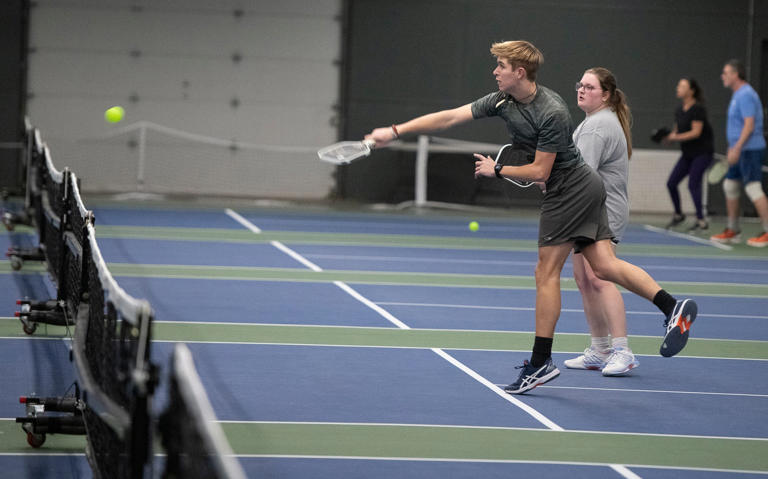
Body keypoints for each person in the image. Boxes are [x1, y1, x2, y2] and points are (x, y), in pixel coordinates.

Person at [365, 40, 698, 394]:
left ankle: (540, 363)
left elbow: (541, 171)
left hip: (570, 190)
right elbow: (449, 117)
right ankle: (671, 307)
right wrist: (395, 131)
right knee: (603, 265)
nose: (495, 71)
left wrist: (498, 169)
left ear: (519, 72)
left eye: (501, 66)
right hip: (582, 188)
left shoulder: (551, 111)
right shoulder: (501, 101)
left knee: (546, 272)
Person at [563, 67, 638, 376]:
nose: (582, 90)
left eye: (590, 87)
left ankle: (622, 350)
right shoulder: (592, 122)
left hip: (602, 212)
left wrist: (547, 180)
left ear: (605, 95)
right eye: (580, 85)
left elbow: (582, 176)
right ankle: (600, 349)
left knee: (600, 278)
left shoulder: (597, 126)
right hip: (586, 211)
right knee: (584, 280)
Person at [710, 59, 768, 247]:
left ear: (736, 74)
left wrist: (737, 148)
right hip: (739, 149)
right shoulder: (738, 95)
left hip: (749, 149)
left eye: (726, 73)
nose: (722, 76)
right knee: (730, 186)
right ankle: (733, 230)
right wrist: (732, 146)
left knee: (753, 188)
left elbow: (749, 125)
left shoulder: (746, 94)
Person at [663, 78, 714, 232]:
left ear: (691, 91)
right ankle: (679, 214)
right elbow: (677, 131)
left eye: (682, 86)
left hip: (702, 153)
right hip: (687, 154)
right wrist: (668, 138)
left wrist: (676, 137)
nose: (678, 88)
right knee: (671, 183)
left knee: (693, 184)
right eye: (678, 85)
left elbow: (696, 132)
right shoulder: (679, 110)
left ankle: (701, 221)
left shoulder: (698, 109)